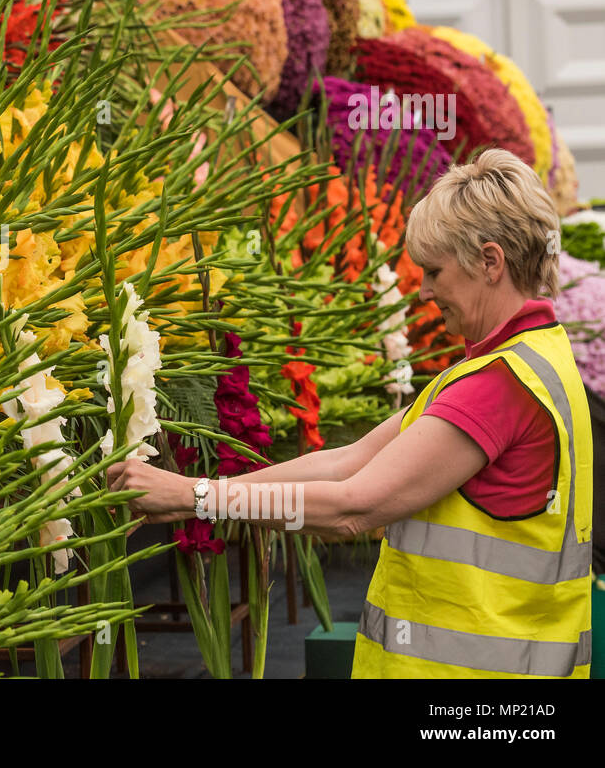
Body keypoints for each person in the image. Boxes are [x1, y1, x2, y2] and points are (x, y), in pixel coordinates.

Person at [106, 148, 593, 678]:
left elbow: (352, 507)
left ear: (491, 262)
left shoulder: (496, 387)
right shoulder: (534, 358)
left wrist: (190, 495)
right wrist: (194, 498)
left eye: (434, 272)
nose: (426, 292)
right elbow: (347, 462)